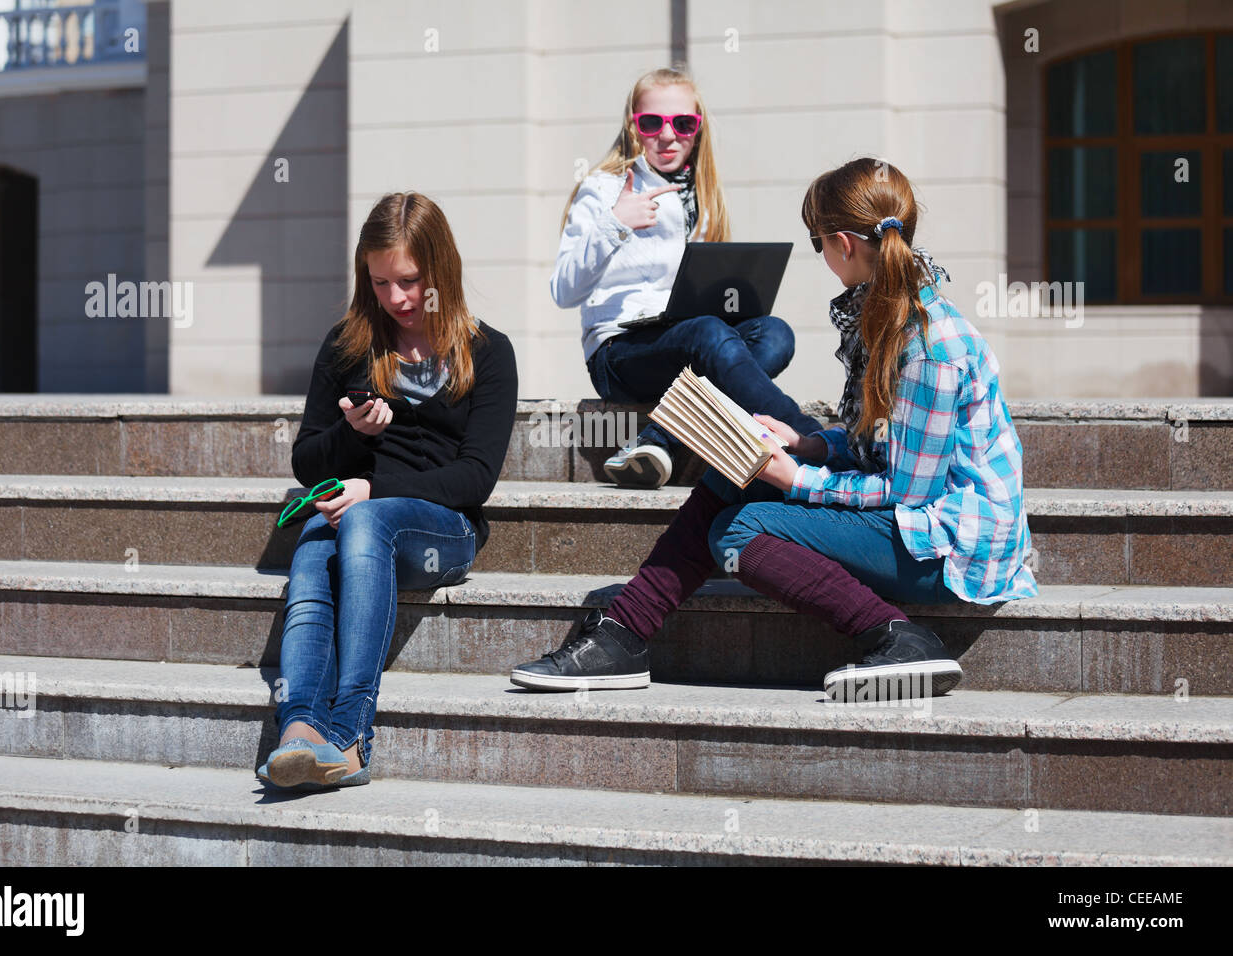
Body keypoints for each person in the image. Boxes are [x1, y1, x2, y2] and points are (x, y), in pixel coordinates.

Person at [513, 157, 1038, 701]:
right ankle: (623, 636)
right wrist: (809, 444)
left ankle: (900, 639)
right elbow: (878, 447)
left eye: (817, 244)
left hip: (952, 545)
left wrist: (797, 479)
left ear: (842, 243)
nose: (823, 257)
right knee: (734, 471)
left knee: (740, 531)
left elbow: (909, 492)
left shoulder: (931, 349)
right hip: (916, 521)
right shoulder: (884, 317)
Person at [260, 192, 517, 788]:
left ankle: (350, 734)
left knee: (363, 520)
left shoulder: (487, 352)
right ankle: (299, 729)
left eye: (409, 281)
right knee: (315, 544)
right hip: (354, 518)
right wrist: (350, 437)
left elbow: (476, 477)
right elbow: (306, 461)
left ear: (440, 272)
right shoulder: (347, 345)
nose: (396, 298)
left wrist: (373, 486)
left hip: (441, 528)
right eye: (380, 283)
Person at [551, 66, 829, 489]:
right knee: (709, 333)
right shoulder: (604, 189)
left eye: (682, 123)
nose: (667, 135)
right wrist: (614, 224)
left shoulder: (702, 195)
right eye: (652, 123)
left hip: (684, 340)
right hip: (618, 353)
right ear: (633, 126)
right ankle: (812, 441)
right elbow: (563, 289)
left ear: (697, 129)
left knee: (774, 334)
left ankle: (661, 436)